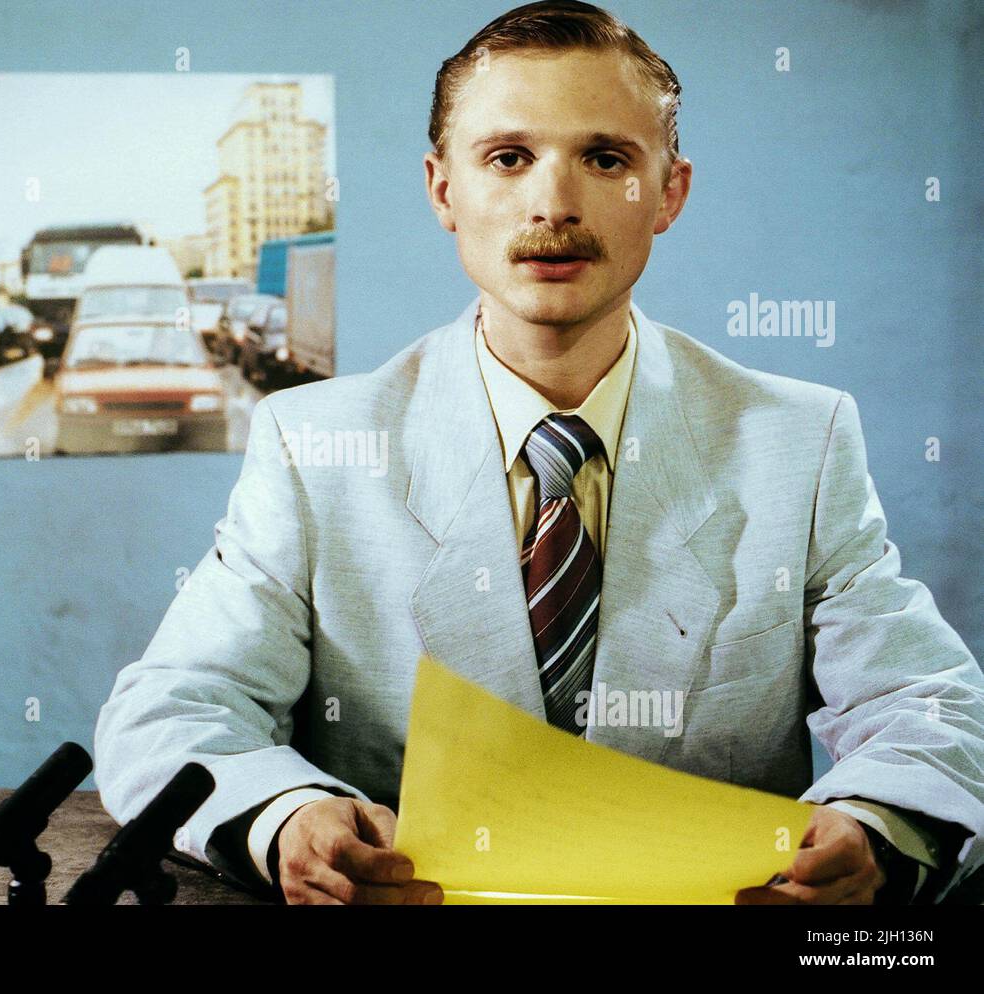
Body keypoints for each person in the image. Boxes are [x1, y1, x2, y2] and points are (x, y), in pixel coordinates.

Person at [95, 1, 984, 905]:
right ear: (444, 190)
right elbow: (172, 709)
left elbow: (934, 704)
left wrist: (877, 828)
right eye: (508, 158)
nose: (553, 205)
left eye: (605, 159)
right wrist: (286, 816)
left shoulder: (800, 439)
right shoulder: (313, 446)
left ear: (668, 193)